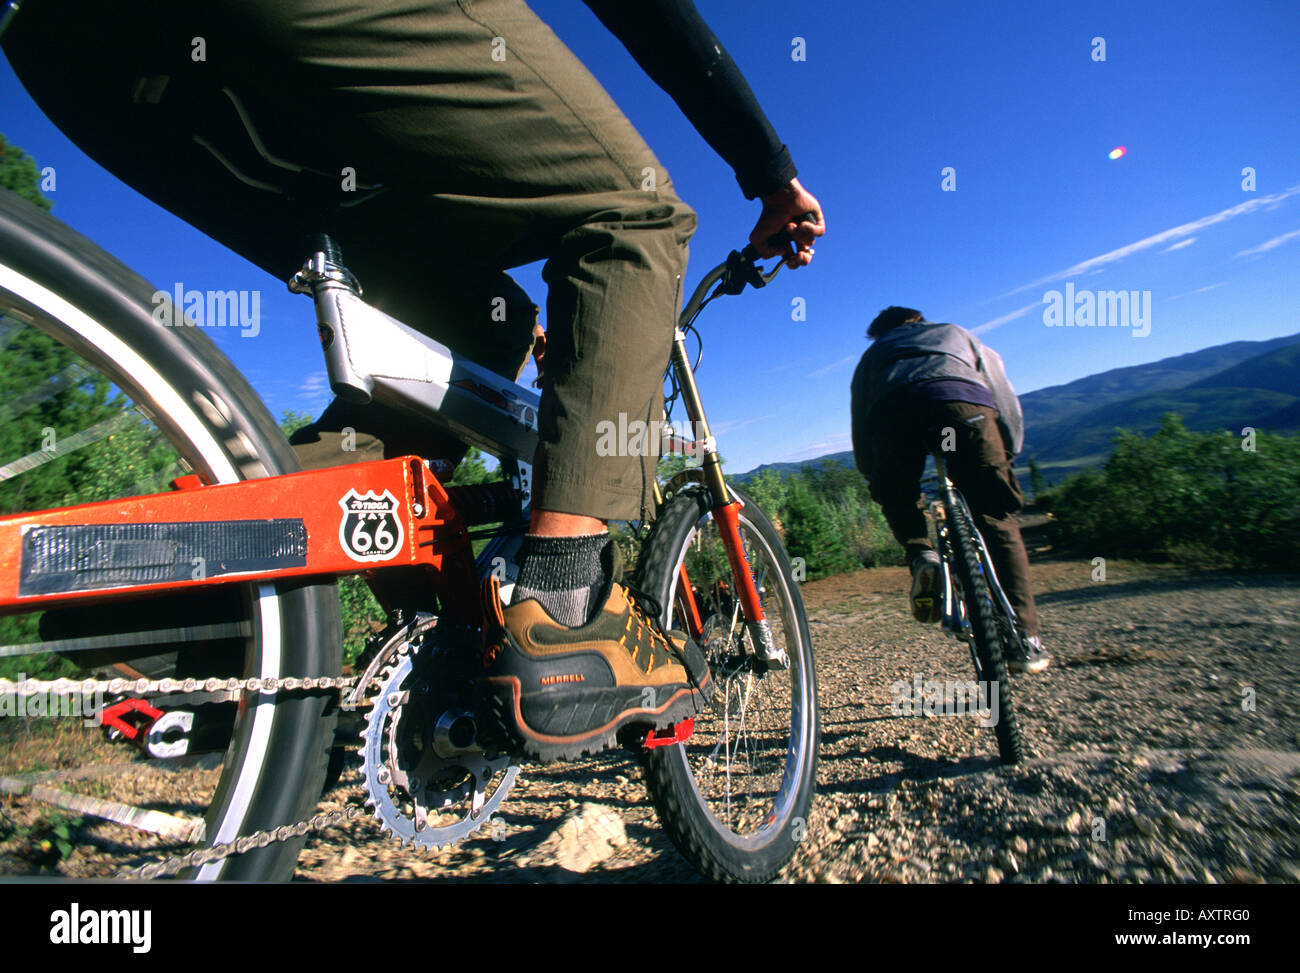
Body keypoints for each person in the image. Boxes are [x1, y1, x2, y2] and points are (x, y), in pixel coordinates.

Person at [3, 0, 824, 758]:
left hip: (78, 60)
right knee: (636, 217)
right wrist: (768, 167)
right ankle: (566, 610)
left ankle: (180, 601)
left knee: (481, 327)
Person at [850, 307, 1049, 673]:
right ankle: (1025, 637)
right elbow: (1001, 390)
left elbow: (861, 423)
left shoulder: (872, 356)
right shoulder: (955, 333)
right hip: (961, 405)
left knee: (899, 496)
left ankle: (922, 555)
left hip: (893, 415)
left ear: (880, 334)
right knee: (995, 516)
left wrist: (881, 480)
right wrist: (1007, 450)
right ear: (920, 321)